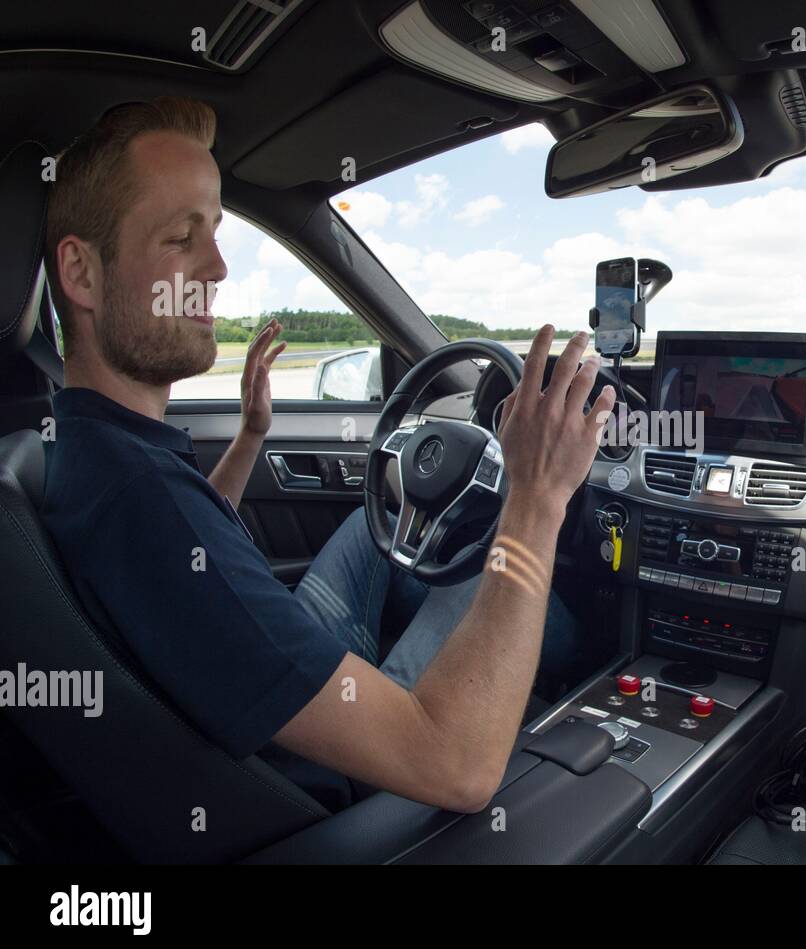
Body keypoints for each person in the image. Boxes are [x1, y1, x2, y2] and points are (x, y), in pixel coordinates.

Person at [40, 96, 614, 813]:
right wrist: (535, 497)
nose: (218, 268)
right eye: (181, 240)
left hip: (276, 680)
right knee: (482, 575)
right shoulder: (140, 499)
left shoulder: (96, 450)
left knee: (380, 533)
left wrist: (252, 435)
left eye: (215, 234)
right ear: (82, 274)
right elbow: (456, 765)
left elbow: (195, 559)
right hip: (346, 778)